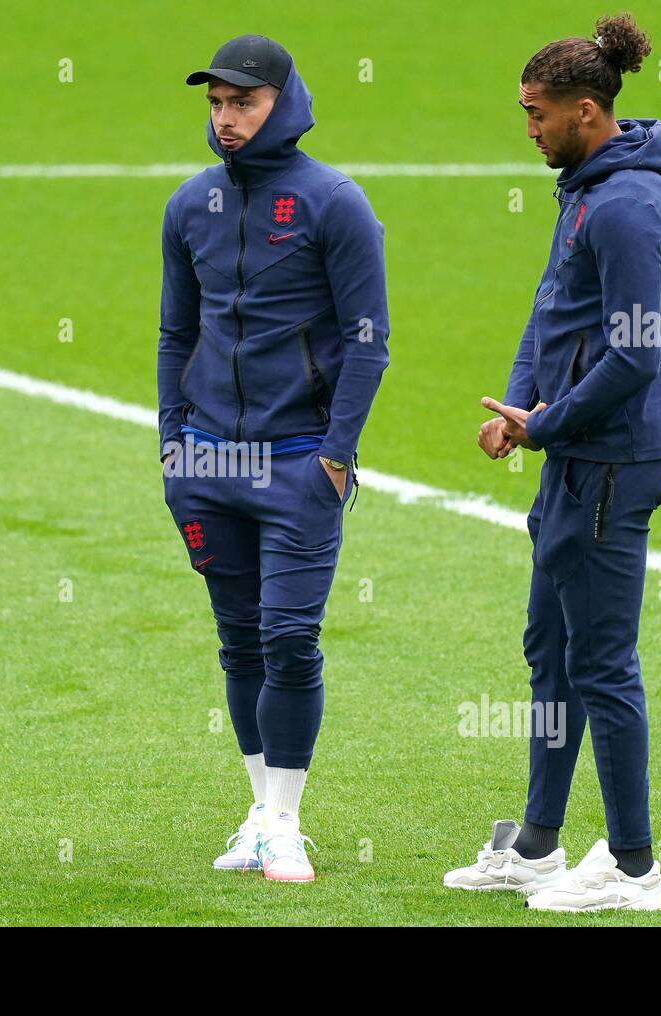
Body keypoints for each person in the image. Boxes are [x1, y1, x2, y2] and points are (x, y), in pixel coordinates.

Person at [444, 13, 661, 911]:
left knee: (604, 665)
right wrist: (518, 405)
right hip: (572, 454)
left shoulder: (627, 208)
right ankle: (540, 844)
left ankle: (632, 868)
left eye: (536, 114)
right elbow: (553, 309)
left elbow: (634, 356)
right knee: (551, 649)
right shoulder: (585, 185)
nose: (528, 129)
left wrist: (544, 424)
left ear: (587, 110)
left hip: (611, 464)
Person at [158, 35, 389, 882]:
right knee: (239, 644)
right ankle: (259, 811)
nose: (225, 120)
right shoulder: (188, 206)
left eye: (242, 103)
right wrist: (170, 443)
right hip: (208, 465)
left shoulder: (336, 204)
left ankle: (287, 823)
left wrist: (335, 457)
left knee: (290, 640)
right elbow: (175, 332)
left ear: (282, 103)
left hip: (298, 465)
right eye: (216, 104)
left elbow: (370, 343)